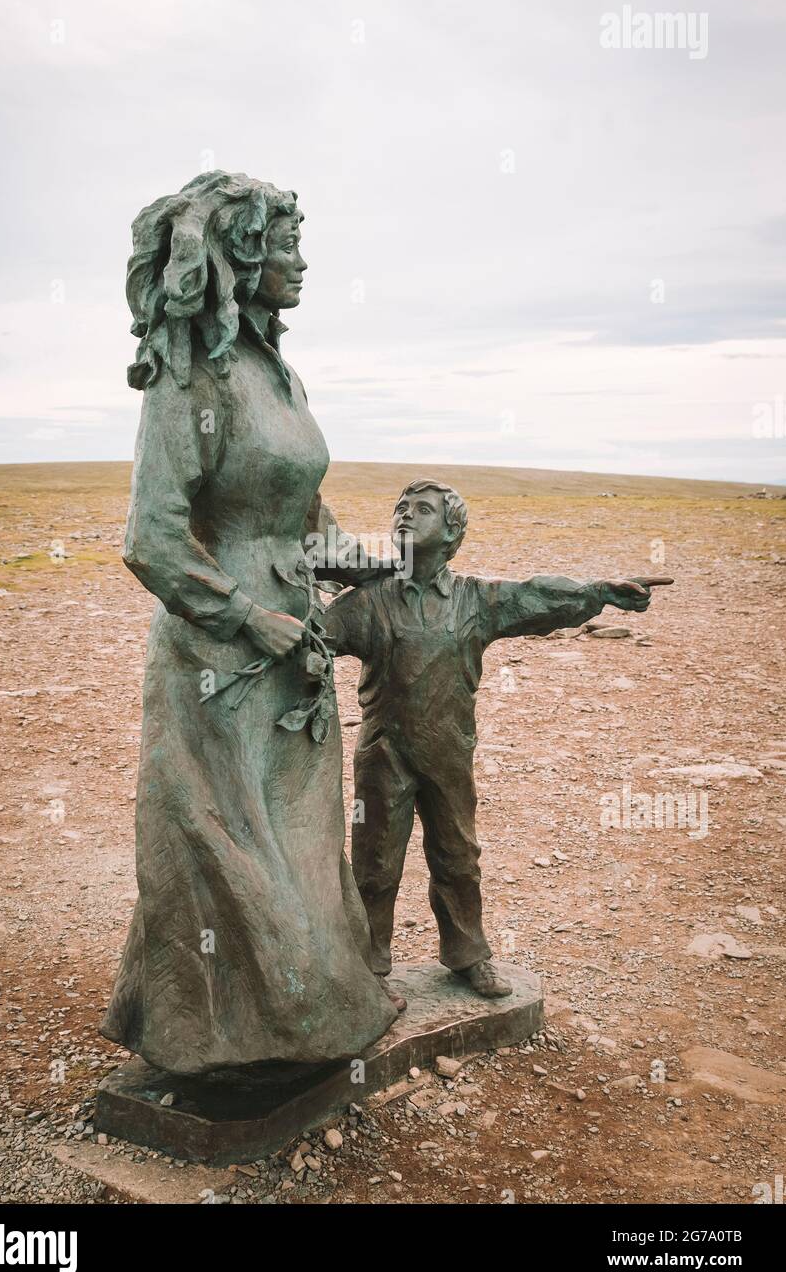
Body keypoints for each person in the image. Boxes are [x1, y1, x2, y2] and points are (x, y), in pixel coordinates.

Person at [101, 171, 397, 1075]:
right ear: (238, 255)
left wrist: (397, 561)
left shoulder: (276, 372)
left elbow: (305, 519)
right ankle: (211, 1040)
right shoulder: (190, 375)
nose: (301, 263)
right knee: (223, 841)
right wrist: (243, 614)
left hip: (291, 647)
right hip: (217, 657)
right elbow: (150, 536)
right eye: (283, 246)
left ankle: (306, 1016)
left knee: (298, 839)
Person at [323, 478, 672, 1011]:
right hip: (382, 754)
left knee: (458, 854)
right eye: (400, 507)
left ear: (452, 532)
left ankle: (467, 955)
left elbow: (534, 595)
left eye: (422, 510)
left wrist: (599, 591)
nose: (405, 515)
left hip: (449, 752)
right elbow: (309, 640)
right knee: (375, 862)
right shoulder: (368, 601)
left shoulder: (475, 600)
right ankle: (369, 967)